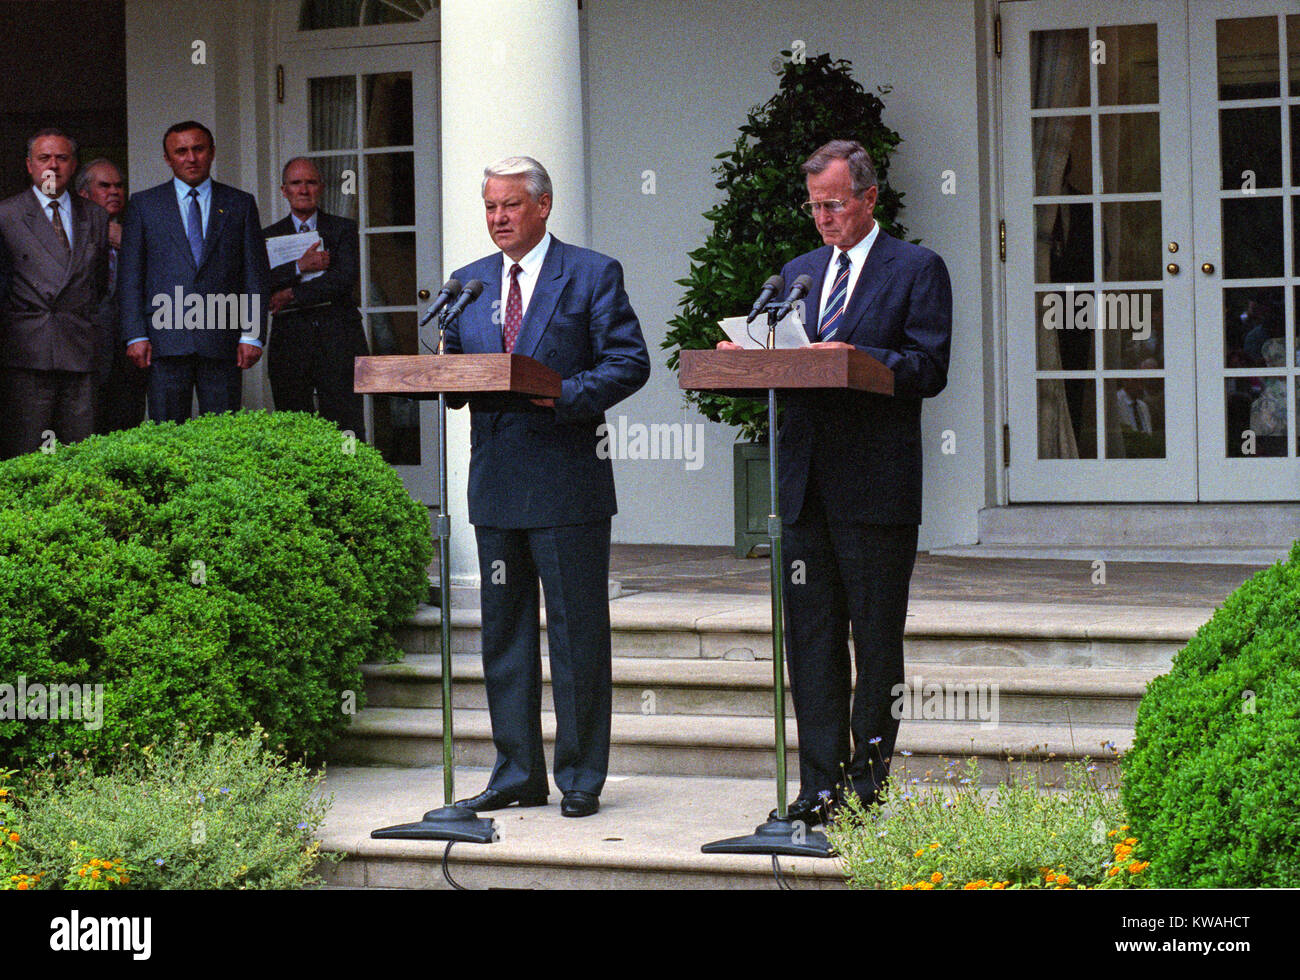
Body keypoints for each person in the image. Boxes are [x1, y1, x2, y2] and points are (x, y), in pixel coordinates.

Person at [719, 139, 952, 826]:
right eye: (815, 205)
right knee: (812, 643)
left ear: (868, 198)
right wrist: (750, 357)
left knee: (875, 643)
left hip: (875, 488)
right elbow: (789, 367)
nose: (823, 217)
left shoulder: (917, 268)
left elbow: (928, 368)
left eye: (835, 203)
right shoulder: (798, 272)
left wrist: (858, 356)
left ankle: (866, 785)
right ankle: (817, 785)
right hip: (803, 489)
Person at [446, 156, 650, 818]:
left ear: (543, 205)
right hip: (498, 484)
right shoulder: (469, 284)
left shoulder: (591, 273)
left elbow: (629, 362)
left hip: (568, 483)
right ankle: (516, 772)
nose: (498, 218)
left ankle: (582, 774)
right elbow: (455, 371)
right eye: (490, 207)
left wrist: (563, 394)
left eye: (509, 205)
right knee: (504, 637)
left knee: (576, 635)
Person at [118, 120, 269, 422]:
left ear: (212, 152)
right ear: (167, 158)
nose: (191, 158)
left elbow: (254, 274)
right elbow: (130, 276)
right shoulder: (144, 205)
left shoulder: (239, 203)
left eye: (198, 149)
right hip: (164, 341)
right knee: (168, 438)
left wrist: (252, 335)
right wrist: (135, 334)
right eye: (181, 151)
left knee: (222, 440)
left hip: (221, 341)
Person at [0, 128, 111, 457]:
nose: (53, 165)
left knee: (81, 452)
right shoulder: (7, 215)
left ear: (74, 165)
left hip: (79, 347)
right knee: (30, 451)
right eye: (44, 158)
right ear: (29, 165)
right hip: (28, 350)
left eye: (61, 158)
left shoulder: (96, 216)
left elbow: (99, 283)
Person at [262, 157, 369, 438]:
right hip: (290, 340)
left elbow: (342, 280)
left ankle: (350, 480)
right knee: (294, 430)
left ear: (321, 187)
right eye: (296, 183)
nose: (304, 189)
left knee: (346, 427)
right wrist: (300, 267)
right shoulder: (267, 236)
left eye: (310, 182)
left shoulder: (343, 229)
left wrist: (291, 294)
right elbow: (260, 284)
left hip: (338, 337)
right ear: (284, 190)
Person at [76, 157, 148, 433]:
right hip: (86, 355)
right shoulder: (69, 232)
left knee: (126, 431)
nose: (115, 192)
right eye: (104, 186)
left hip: (129, 355)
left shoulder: (135, 231)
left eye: (119, 186)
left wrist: (126, 242)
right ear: (84, 194)